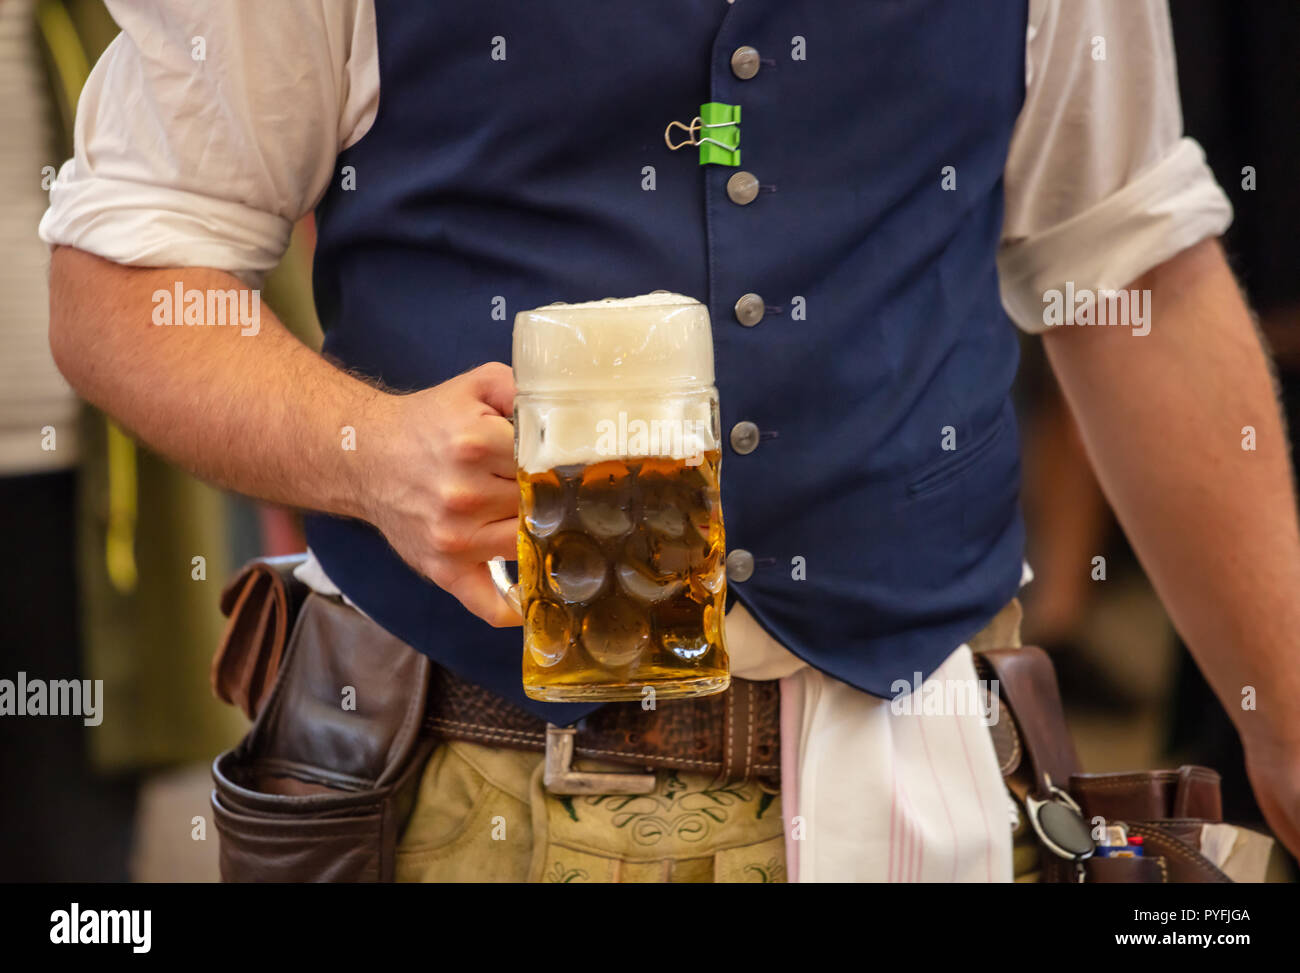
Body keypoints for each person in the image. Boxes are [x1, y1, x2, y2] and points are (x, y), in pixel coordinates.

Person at [42, 0, 1300, 881]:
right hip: (471, 789)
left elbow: (1128, 263)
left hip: (936, 771)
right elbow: (126, 279)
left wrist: (1282, 708)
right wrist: (368, 449)